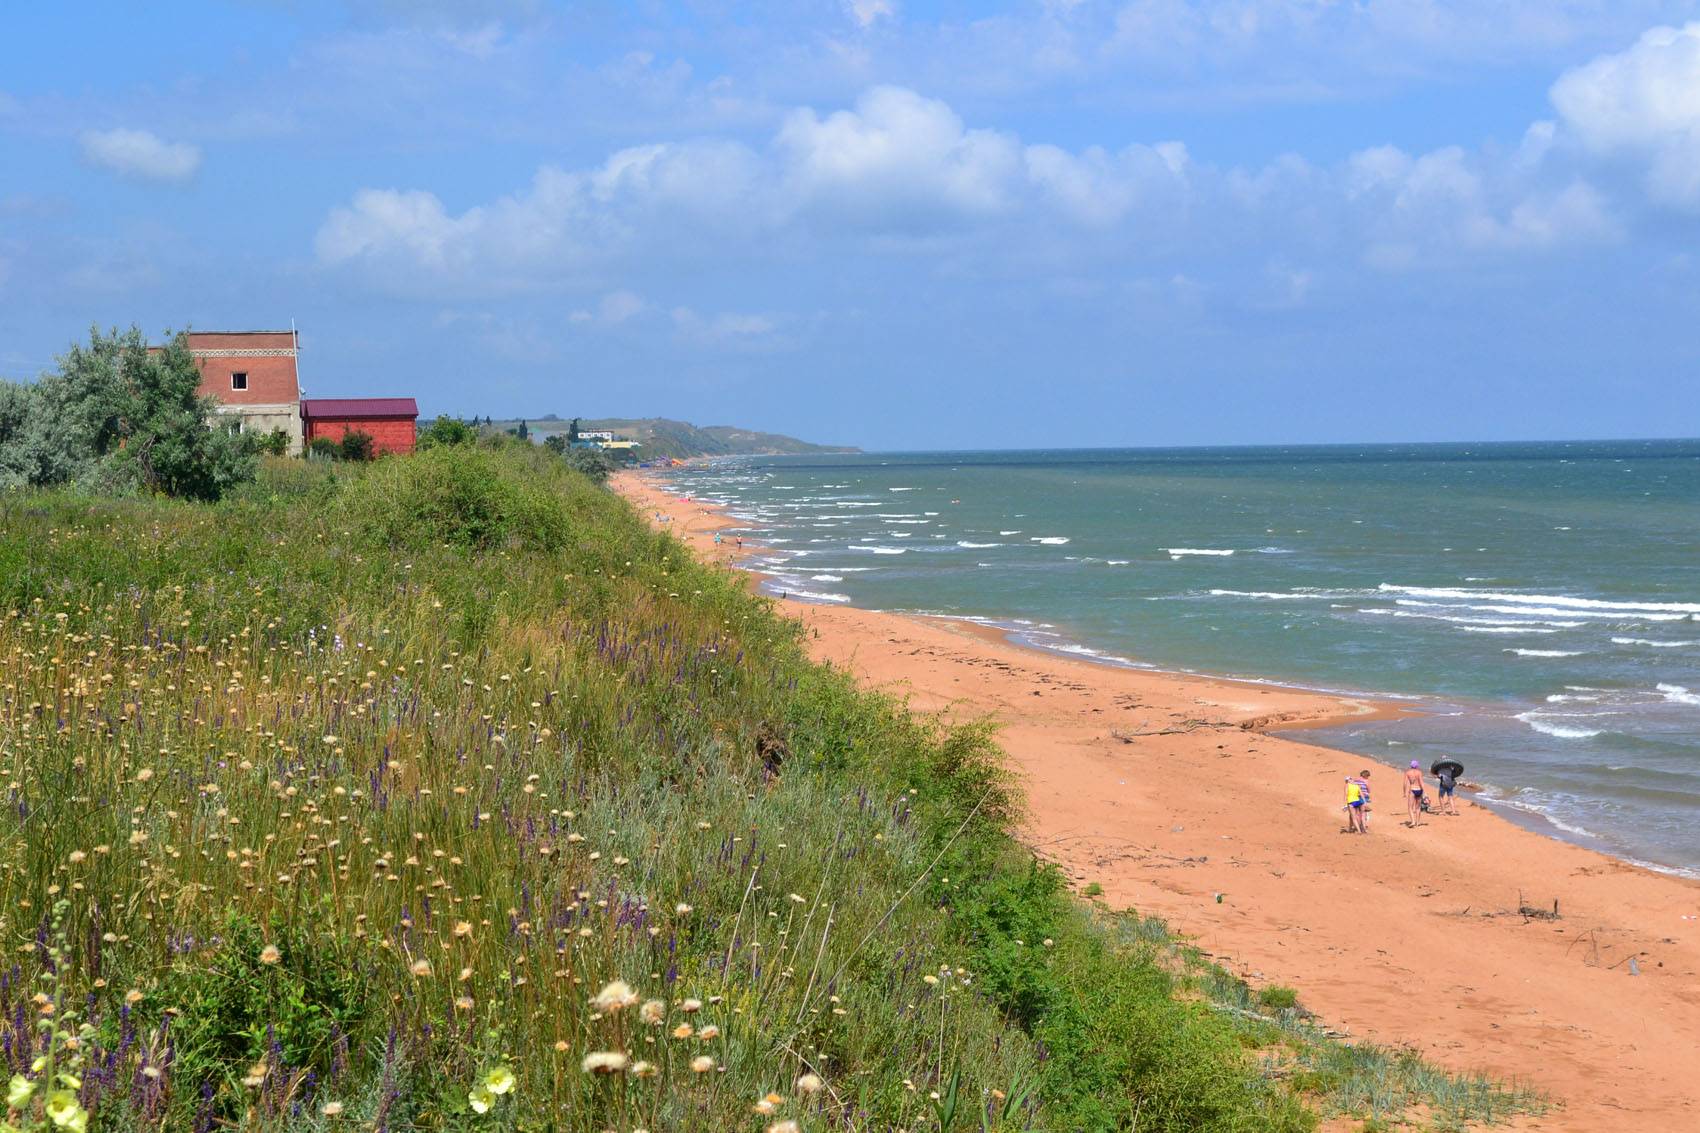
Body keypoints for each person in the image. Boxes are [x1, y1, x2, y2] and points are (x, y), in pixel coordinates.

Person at [1403, 760, 1426, 827]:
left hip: (1412, 790)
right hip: (1419, 790)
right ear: (1417, 766)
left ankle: (1413, 821)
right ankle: (1417, 823)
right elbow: (1421, 782)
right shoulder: (1419, 772)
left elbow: (1404, 783)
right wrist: (1424, 792)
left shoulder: (1408, 772)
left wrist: (1404, 792)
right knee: (1418, 807)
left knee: (1410, 807)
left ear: (1411, 765)